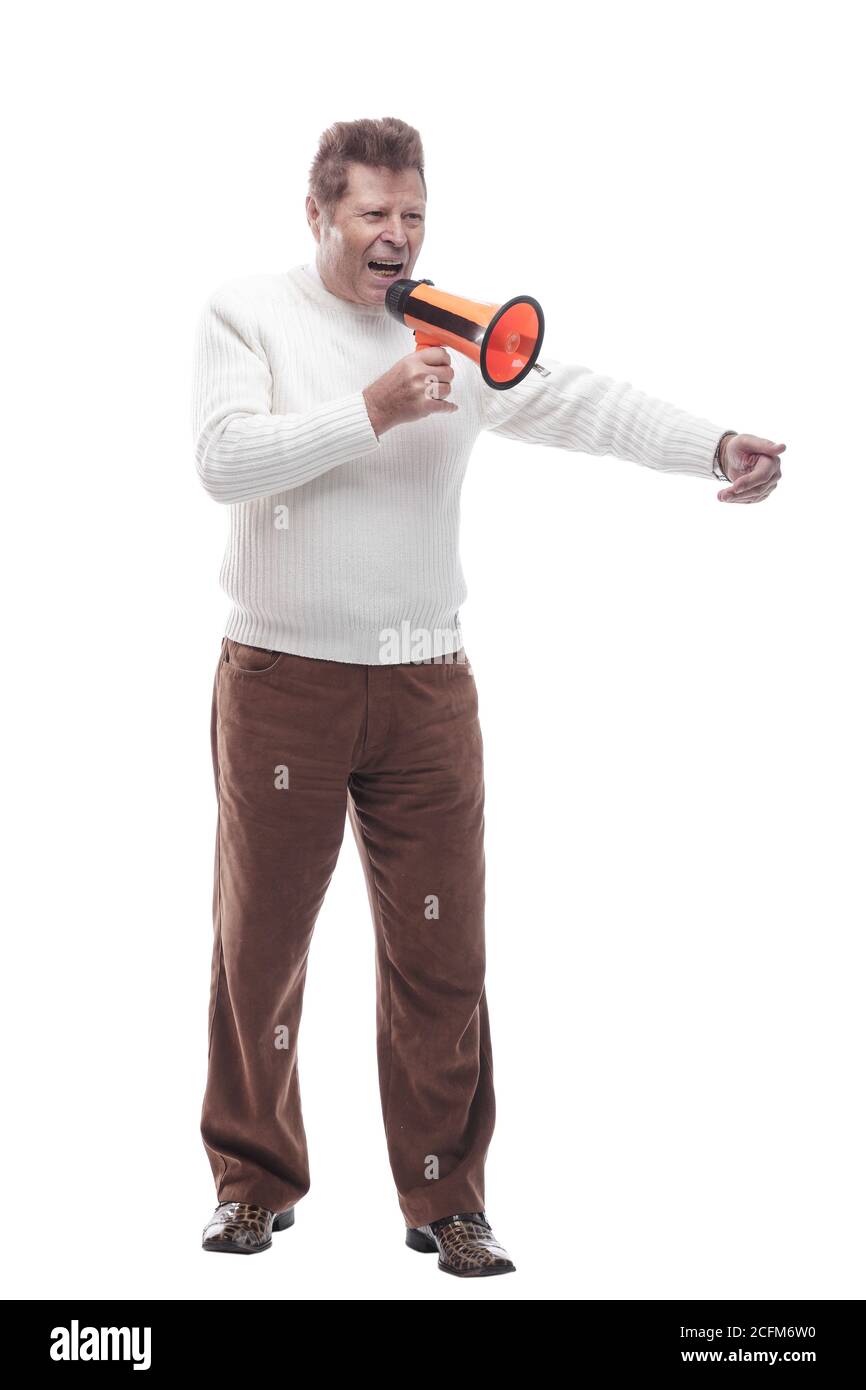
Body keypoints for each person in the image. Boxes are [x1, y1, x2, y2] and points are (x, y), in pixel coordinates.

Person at [191, 115, 785, 1278]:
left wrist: (711, 445)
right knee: (258, 948)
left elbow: (582, 402)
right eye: (372, 214)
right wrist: (368, 409)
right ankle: (250, 1183)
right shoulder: (244, 313)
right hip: (281, 682)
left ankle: (446, 1199)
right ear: (317, 216)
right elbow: (222, 459)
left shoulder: (452, 329)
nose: (396, 236)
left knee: (442, 954)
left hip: (424, 686)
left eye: (413, 215)